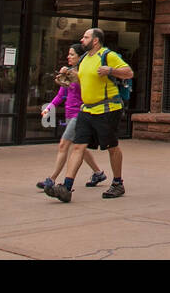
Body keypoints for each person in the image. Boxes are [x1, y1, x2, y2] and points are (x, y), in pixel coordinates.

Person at [44, 27, 132, 202]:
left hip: (107, 109)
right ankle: (66, 187)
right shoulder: (84, 59)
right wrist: (66, 78)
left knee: (112, 147)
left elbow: (129, 73)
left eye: (85, 37)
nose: (82, 40)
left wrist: (110, 71)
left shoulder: (108, 55)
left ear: (95, 40)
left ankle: (117, 183)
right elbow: (81, 79)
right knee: (78, 146)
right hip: (86, 110)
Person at [37, 43, 105, 192]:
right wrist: (49, 108)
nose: (68, 57)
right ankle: (98, 173)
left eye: (72, 54)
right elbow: (61, 94)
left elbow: (89, 90)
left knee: (63, 145)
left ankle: (52, 179)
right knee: (80, 148)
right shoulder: (69, 72)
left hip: (80, 114)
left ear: (80, 57)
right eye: (68, 54)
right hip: (70, 114)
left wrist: (73, 76)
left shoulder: (84, 73)